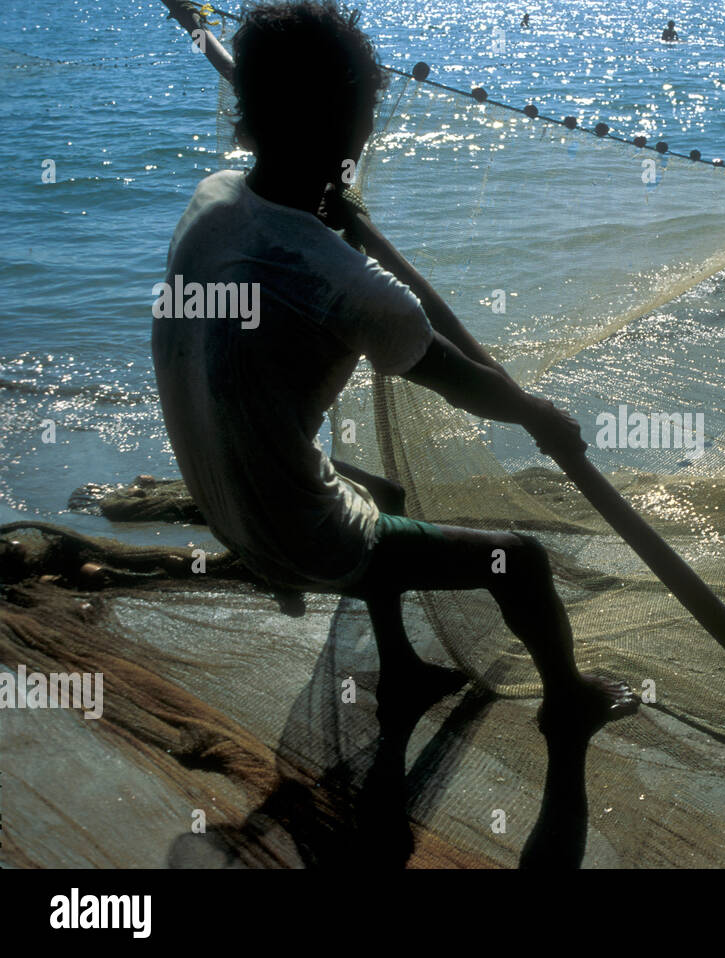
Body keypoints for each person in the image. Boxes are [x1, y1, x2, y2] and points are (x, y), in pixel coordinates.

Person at [152, 1, 638, 734]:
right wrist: (540, 416)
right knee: (524, 563)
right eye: (368, 109)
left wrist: (314, 181)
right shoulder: (354, 288)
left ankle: (401, 668)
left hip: (217, 496)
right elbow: (467, 384)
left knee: (384, 489)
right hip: (293, 539)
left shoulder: (215, 198)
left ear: (250, 114)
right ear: (343, 126)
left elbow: (277, 137)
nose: (374, 125)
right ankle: (567, 701)